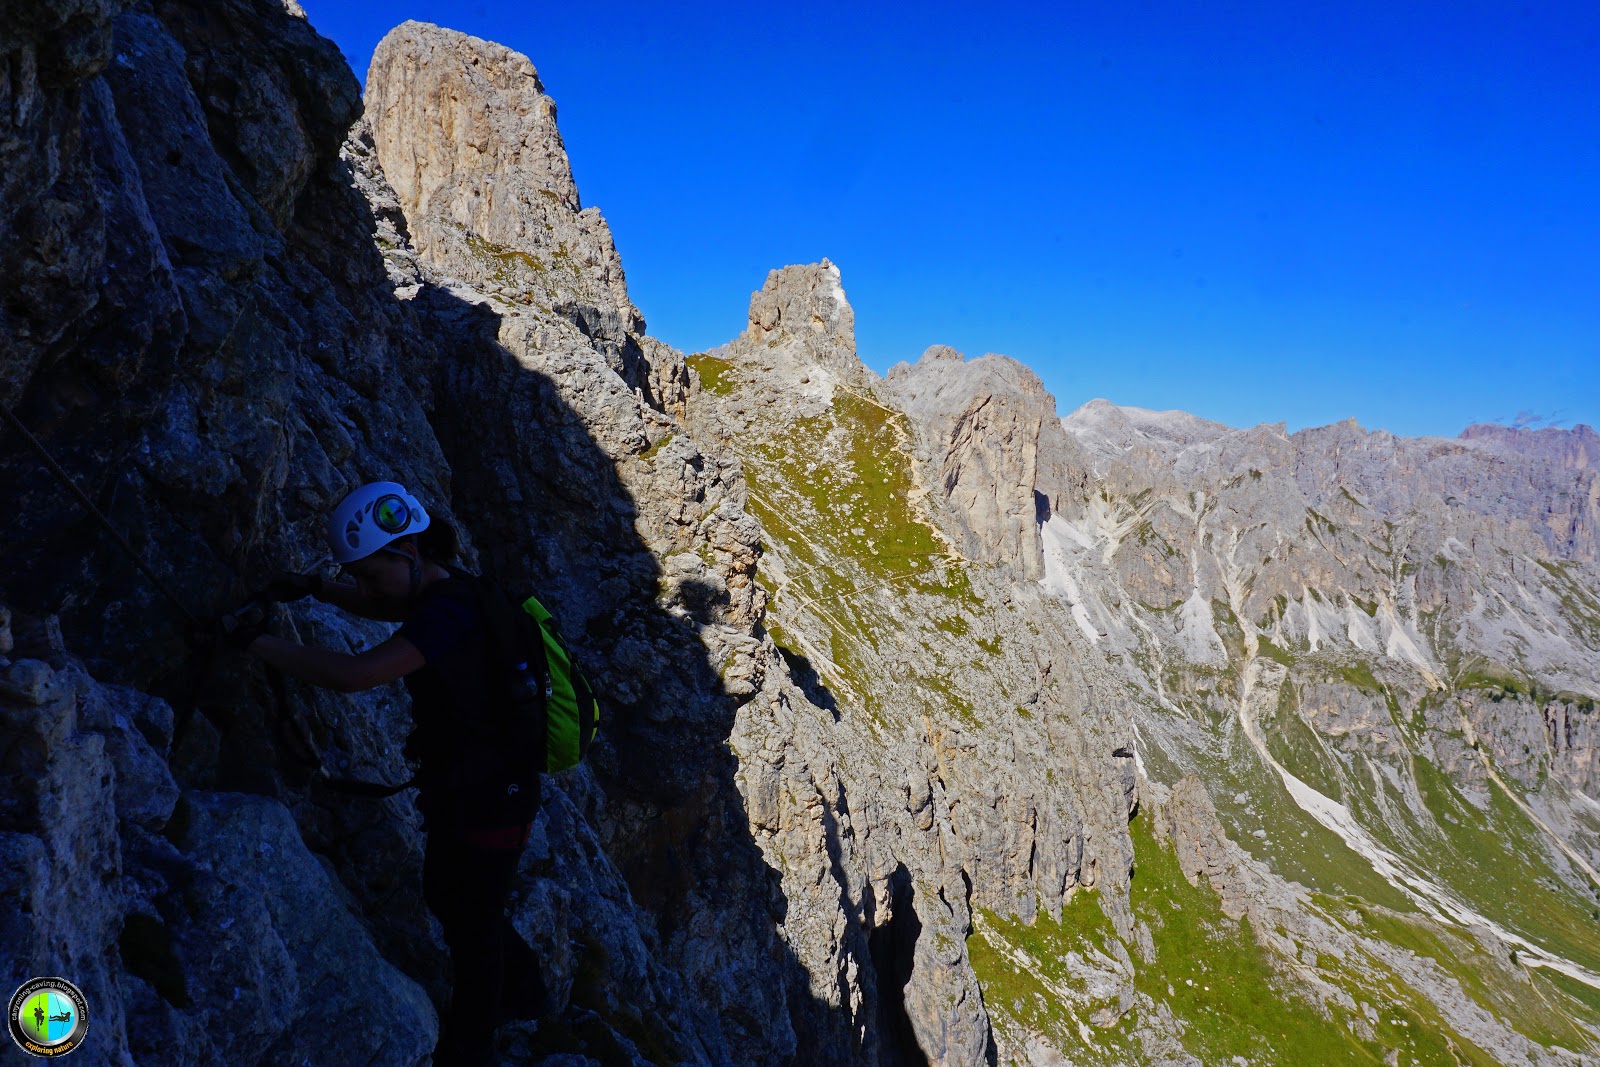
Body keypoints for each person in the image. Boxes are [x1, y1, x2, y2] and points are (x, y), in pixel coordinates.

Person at [230, 480, 548, 1067]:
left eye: (371, 573)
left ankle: (469, 1050)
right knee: (462, 901)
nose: (366, 589)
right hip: (486, 789)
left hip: (486, 797)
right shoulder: (455, 591)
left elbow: (356, 675)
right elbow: (385, 603)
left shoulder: (447, 614)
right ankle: (527, 996)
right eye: (360, 578)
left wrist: (257, 643)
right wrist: (317, 589)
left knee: (472, 925)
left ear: (409, 554)